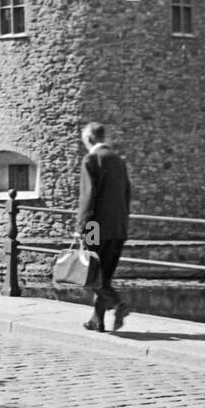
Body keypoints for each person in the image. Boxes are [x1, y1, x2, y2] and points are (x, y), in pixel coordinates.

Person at [75, 122, 133, 332]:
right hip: (118, 227)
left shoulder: (91, 159)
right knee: (104, 274)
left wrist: (81, 227)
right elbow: (127, 194)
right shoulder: (119, 160)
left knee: (91, 273)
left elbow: (87, 197)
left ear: (89, 139)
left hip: (95, 226)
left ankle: (118, 303)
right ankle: (97, 319)